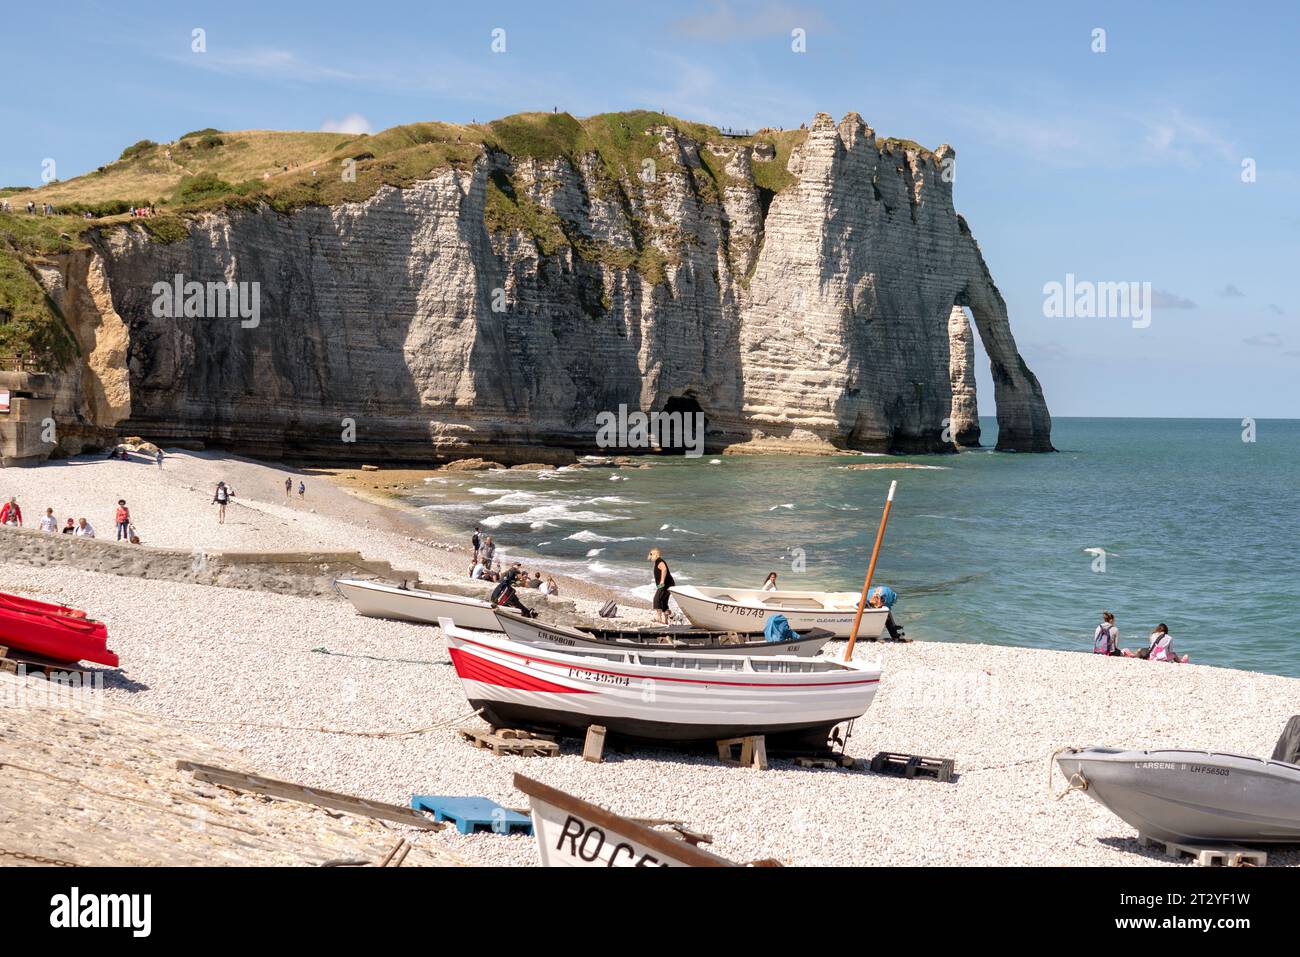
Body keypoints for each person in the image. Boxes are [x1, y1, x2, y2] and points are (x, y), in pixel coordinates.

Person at [1124, 623, 1189, 663]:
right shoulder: (1169, 638)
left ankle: (1132, 655)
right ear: (1166, 630)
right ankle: (1181, 661)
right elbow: (1170, 651)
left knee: (1140, 650)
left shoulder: (1153, 635)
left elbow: (1151, 646)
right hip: (1162, 658)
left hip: (1151, 656)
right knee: (1174, 654)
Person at [649, 547, 674, 624]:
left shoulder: (659, 561)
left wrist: (662, 580)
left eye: (650, 555)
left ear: (654, 555)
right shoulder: (659, 561)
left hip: (664, 584)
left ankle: (659, 618)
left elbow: (664, 569)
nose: (650, 558)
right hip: (669, 583)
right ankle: (666, 619)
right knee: (663, 601)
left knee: (657, 599)